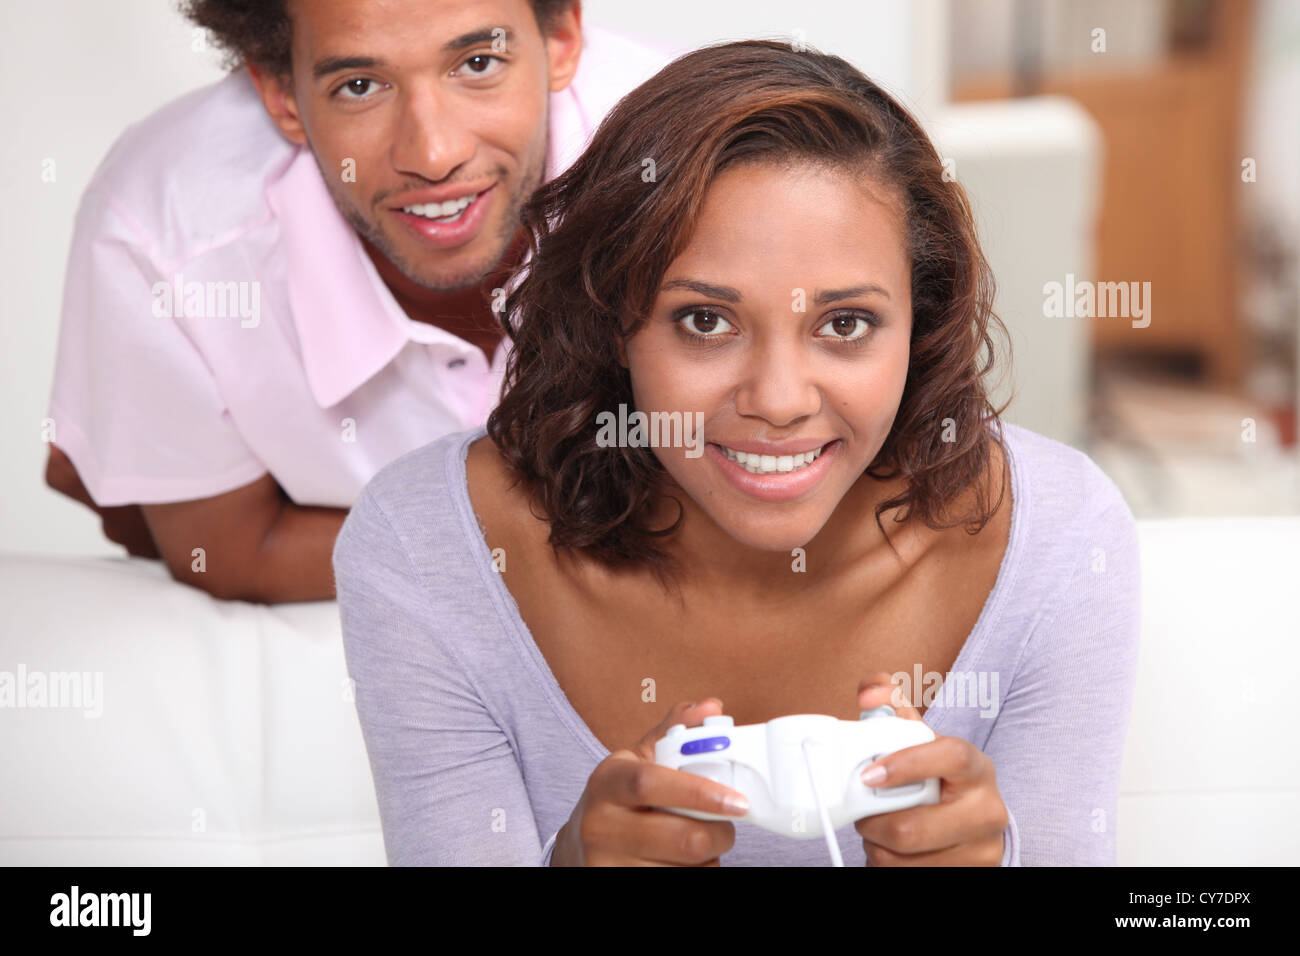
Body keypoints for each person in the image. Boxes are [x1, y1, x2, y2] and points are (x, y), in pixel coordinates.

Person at [333, 40, 1142, 866]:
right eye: (706, 322)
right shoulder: (425, 546)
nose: (780, 400)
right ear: (613, 318)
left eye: (845, 324)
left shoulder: (1058, 540)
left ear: (919, 321)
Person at [42, 0, 671, 602]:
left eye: (478, 63)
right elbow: (231, 552)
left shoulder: (695, 164)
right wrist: (545, 549)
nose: (433, 155)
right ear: (282, 95)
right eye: (359, 85)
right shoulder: (164, 231)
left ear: (561, 41)